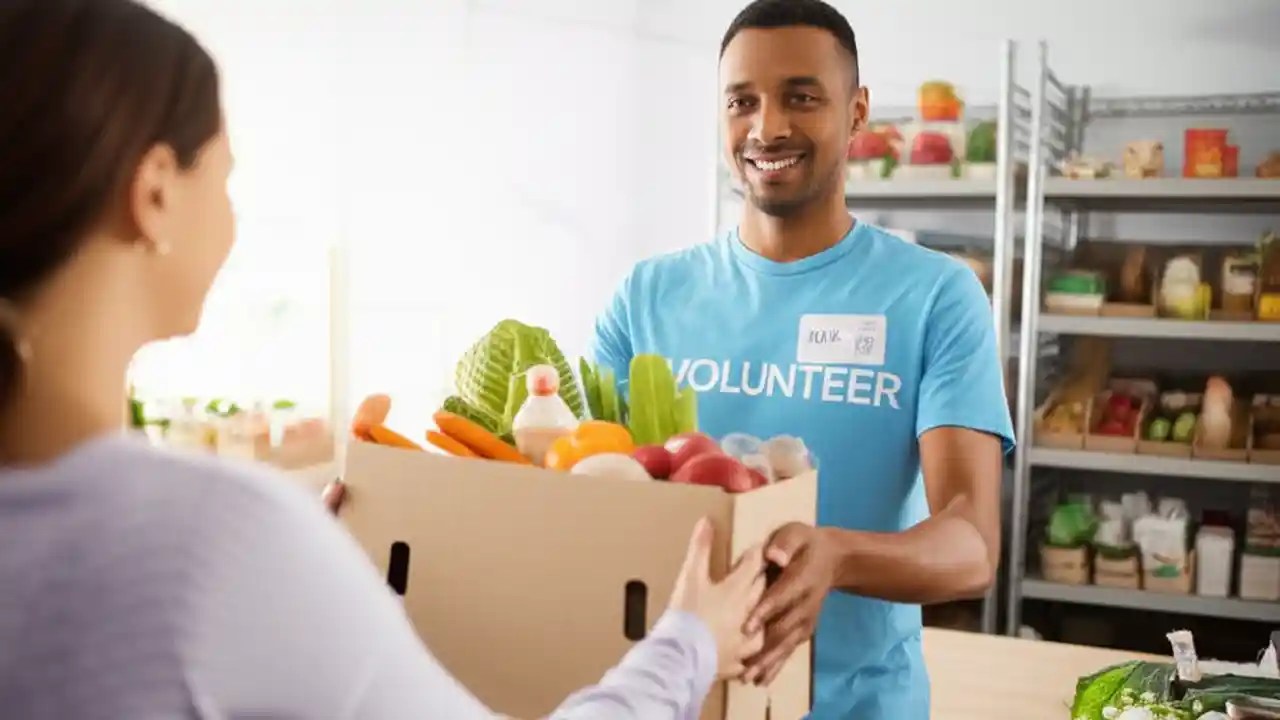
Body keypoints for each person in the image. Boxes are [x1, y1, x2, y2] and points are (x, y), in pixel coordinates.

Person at [0, 1, 767, 718]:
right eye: (226, 177)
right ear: (156, 193)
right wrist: (690, 643)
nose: (233, 217)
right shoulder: (221, 536)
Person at [585, 1, 1015, 718]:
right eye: (742, 101)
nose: (767, 127)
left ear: (856, 114)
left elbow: (972, 545)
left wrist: (841, 555)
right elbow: (580, 489)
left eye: (801, 97)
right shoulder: (646, 294)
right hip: (679, 700)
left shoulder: (935, 295)